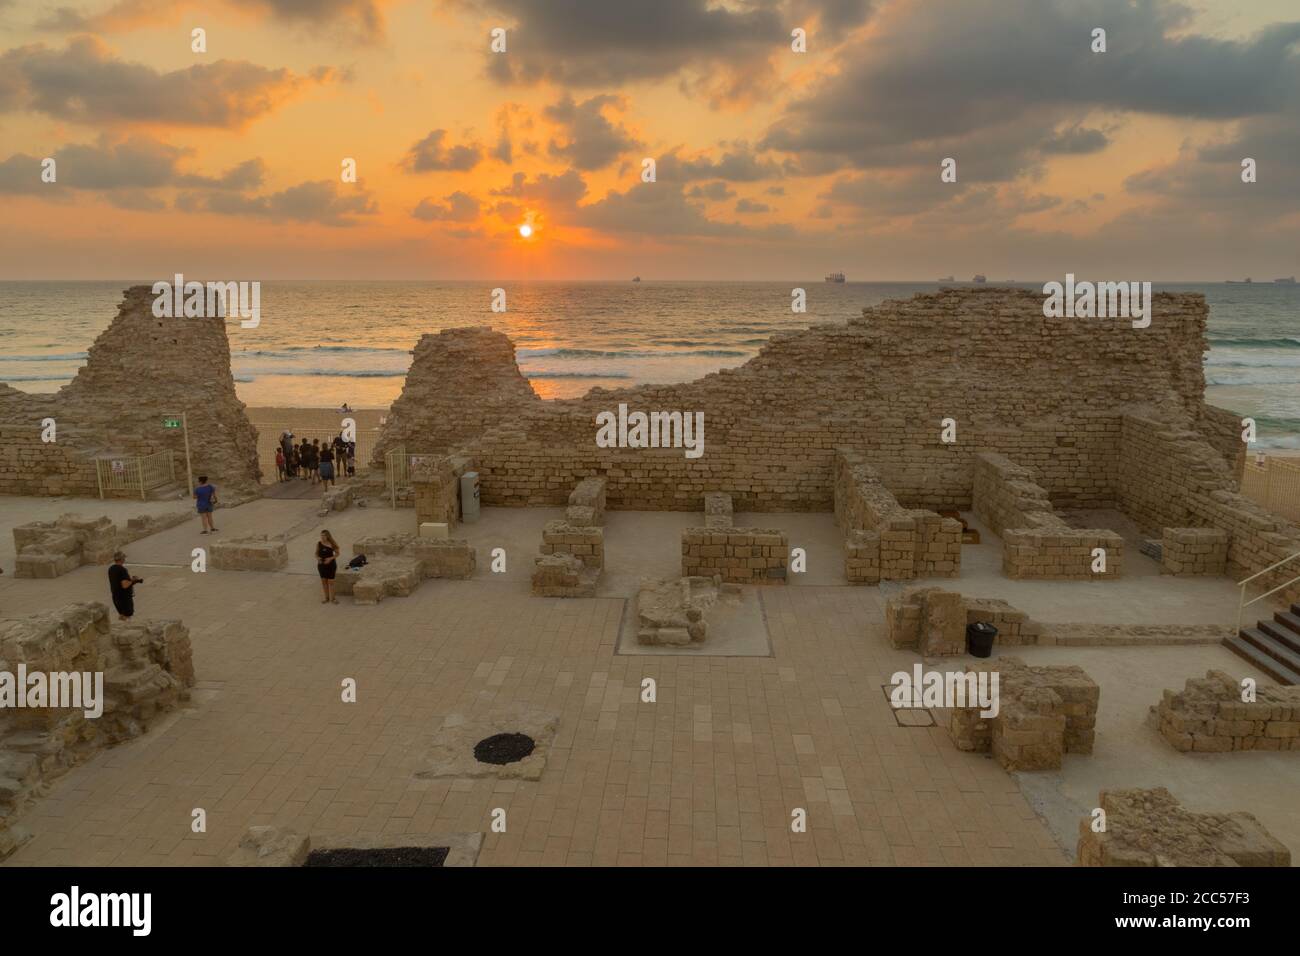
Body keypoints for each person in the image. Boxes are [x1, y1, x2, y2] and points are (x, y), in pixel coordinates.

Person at [108, 551, 142, 620]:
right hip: (124, 598)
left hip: (116, 596)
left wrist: (131, 581)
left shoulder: (111, 569)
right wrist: (133, 580)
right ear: (122, 559)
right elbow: (125, 585)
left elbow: (118, 582)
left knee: (122, 615)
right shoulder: (122, 570)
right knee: (127, 616)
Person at [317, 530, 340, 604]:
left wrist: (330, 559)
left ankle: (333, 598)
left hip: (331, 565)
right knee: (324, 582)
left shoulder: (332, 544)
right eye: (321, 535)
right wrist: (318, 558)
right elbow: (316, 553)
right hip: (321, 565)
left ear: (327, 536)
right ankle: (326, 598)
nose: (322, 537)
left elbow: (337, 553)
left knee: (331, 582)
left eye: (324, 535)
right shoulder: (319, 544)